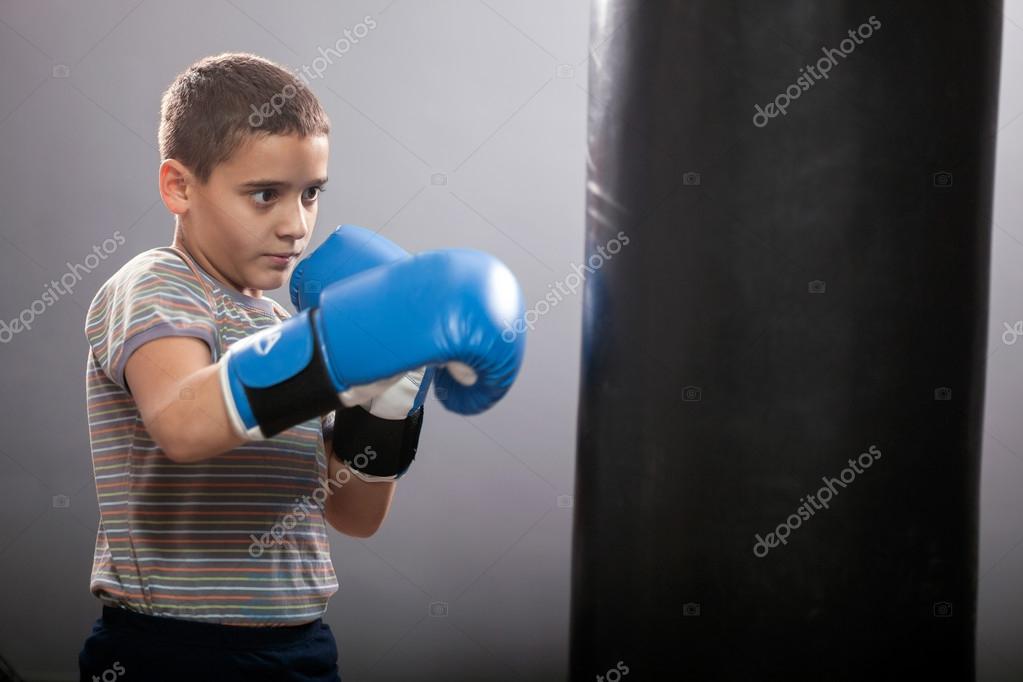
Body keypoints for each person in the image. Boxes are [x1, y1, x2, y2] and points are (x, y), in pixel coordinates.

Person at [78, 52, 524, 681]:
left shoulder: (281, 332)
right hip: (169, 649)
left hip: (300, 645)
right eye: (265, 195)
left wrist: (388, 402)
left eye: (310, 194)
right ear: (179, 186)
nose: (296, 225)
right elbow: (183, 425)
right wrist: (335, 352)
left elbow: (354, 516)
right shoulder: (159, 285)